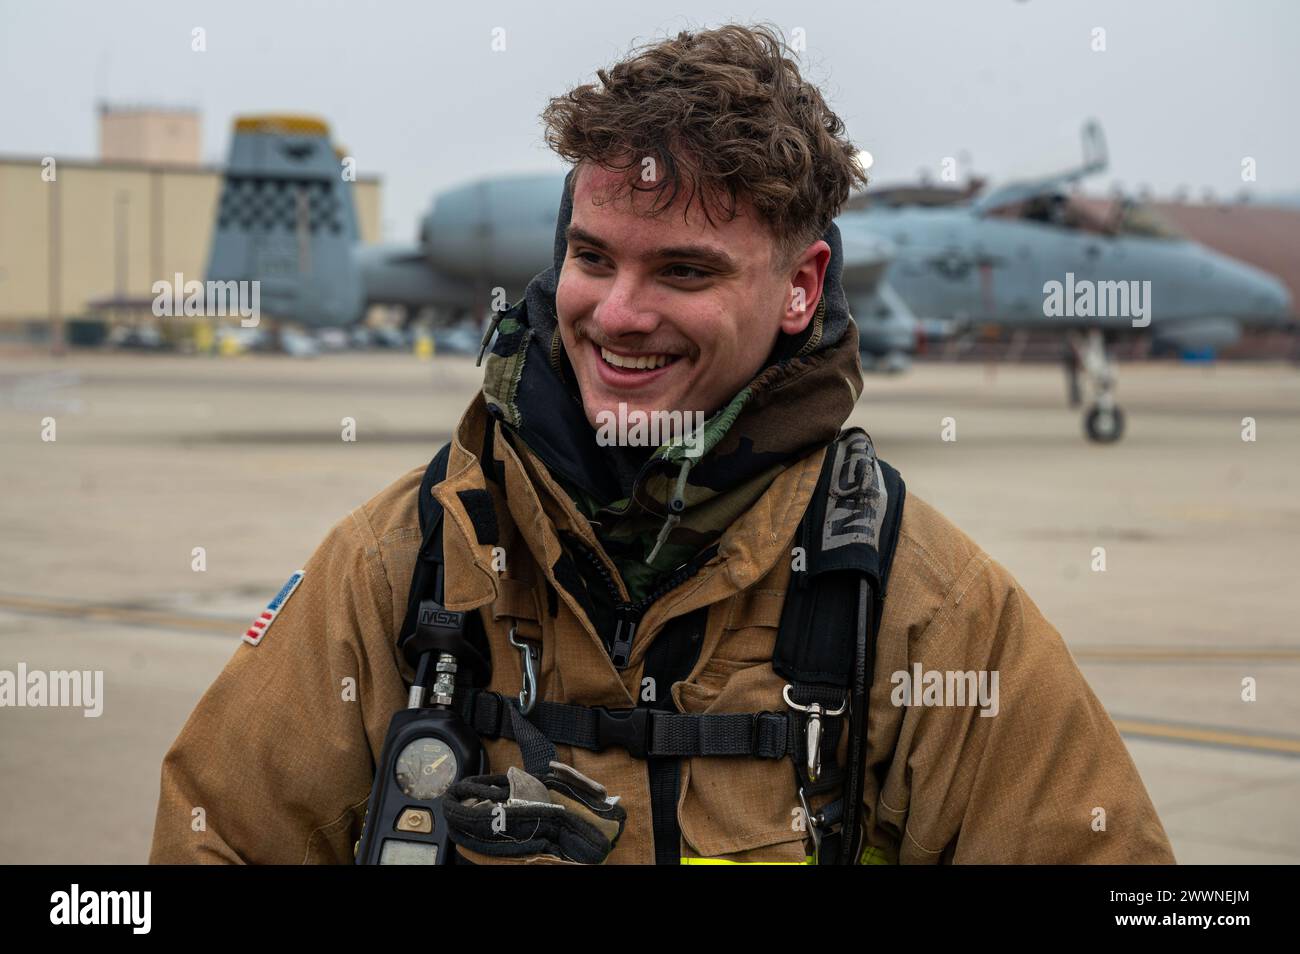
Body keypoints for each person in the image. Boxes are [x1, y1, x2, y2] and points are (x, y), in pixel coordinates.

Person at [149, 22, 1174, 865]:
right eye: (592, 258)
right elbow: (219, 836)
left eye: (684, 272)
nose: (618, 314)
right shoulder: (408, 562)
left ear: (801, 287)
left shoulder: (923, 610)